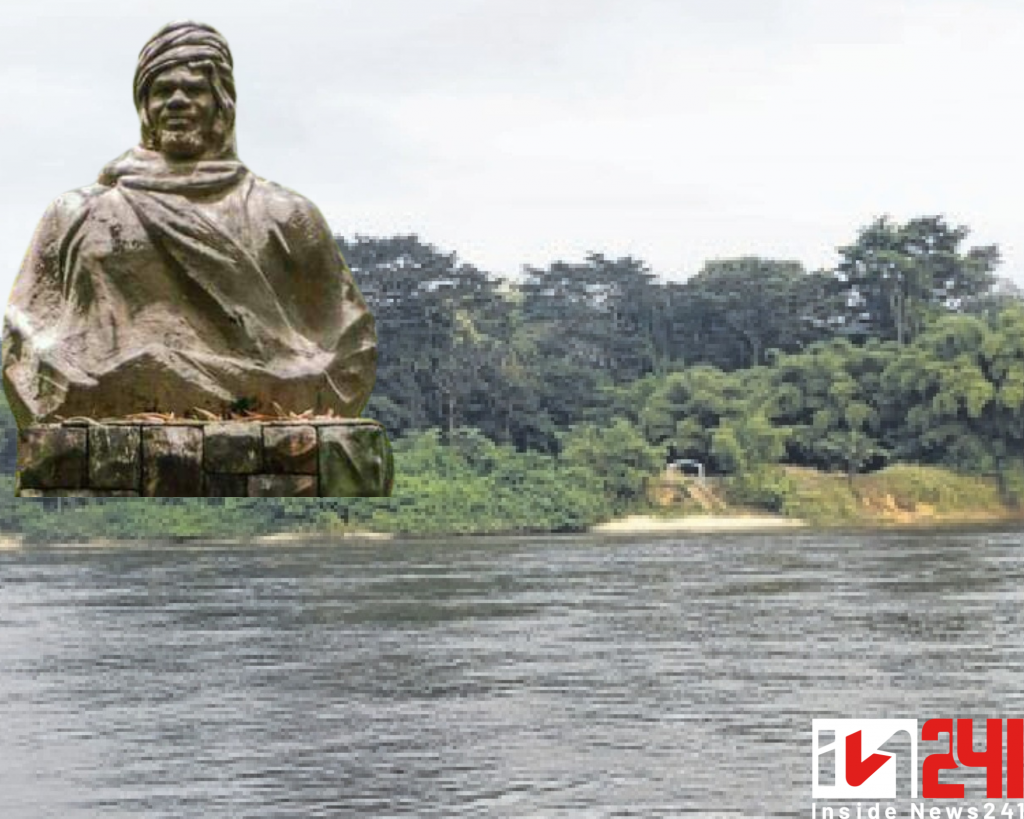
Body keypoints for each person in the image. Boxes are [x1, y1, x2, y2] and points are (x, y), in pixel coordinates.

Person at [2, 21, 377, 429]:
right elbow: (24, 338)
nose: (177, 101)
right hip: (97, 407)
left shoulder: (285, 215)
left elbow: (348, 347)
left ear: (222, 102)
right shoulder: (77, 214)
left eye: (193, 89)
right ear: (144, 106)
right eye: (163, 91)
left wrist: (286, 380)